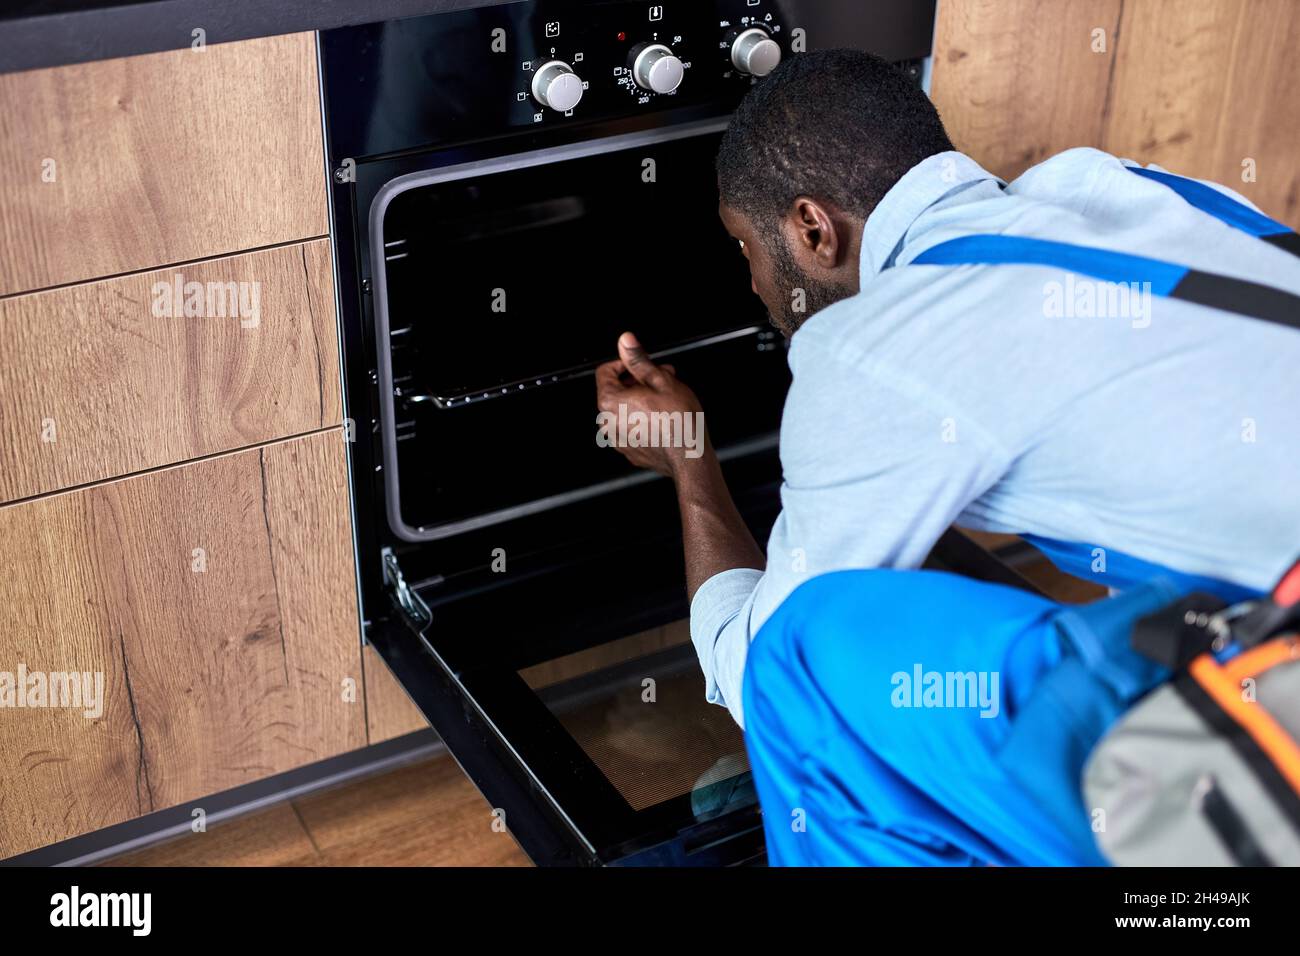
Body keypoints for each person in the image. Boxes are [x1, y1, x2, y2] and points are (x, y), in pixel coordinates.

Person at [593, 49, 1300, 863]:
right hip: (1260, 607)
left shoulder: (874, 342)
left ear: (812, 229)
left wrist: (689, 459)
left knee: (804, 661)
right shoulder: (1113, 185)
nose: (751, 283)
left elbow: (758, 672)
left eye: (745, 248)